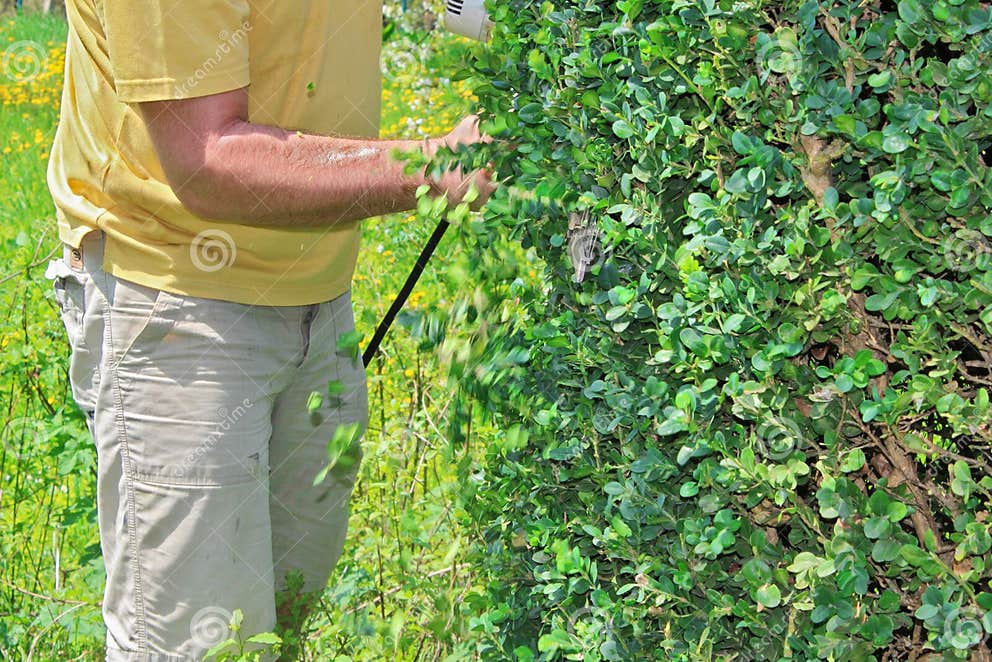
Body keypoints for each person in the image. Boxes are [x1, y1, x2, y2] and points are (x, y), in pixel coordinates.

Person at [43, 0, 494, 659]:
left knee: (277, 627)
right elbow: (205, 157)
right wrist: (434, 168)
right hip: (179, 309)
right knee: (197, 643)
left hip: (319, 298)